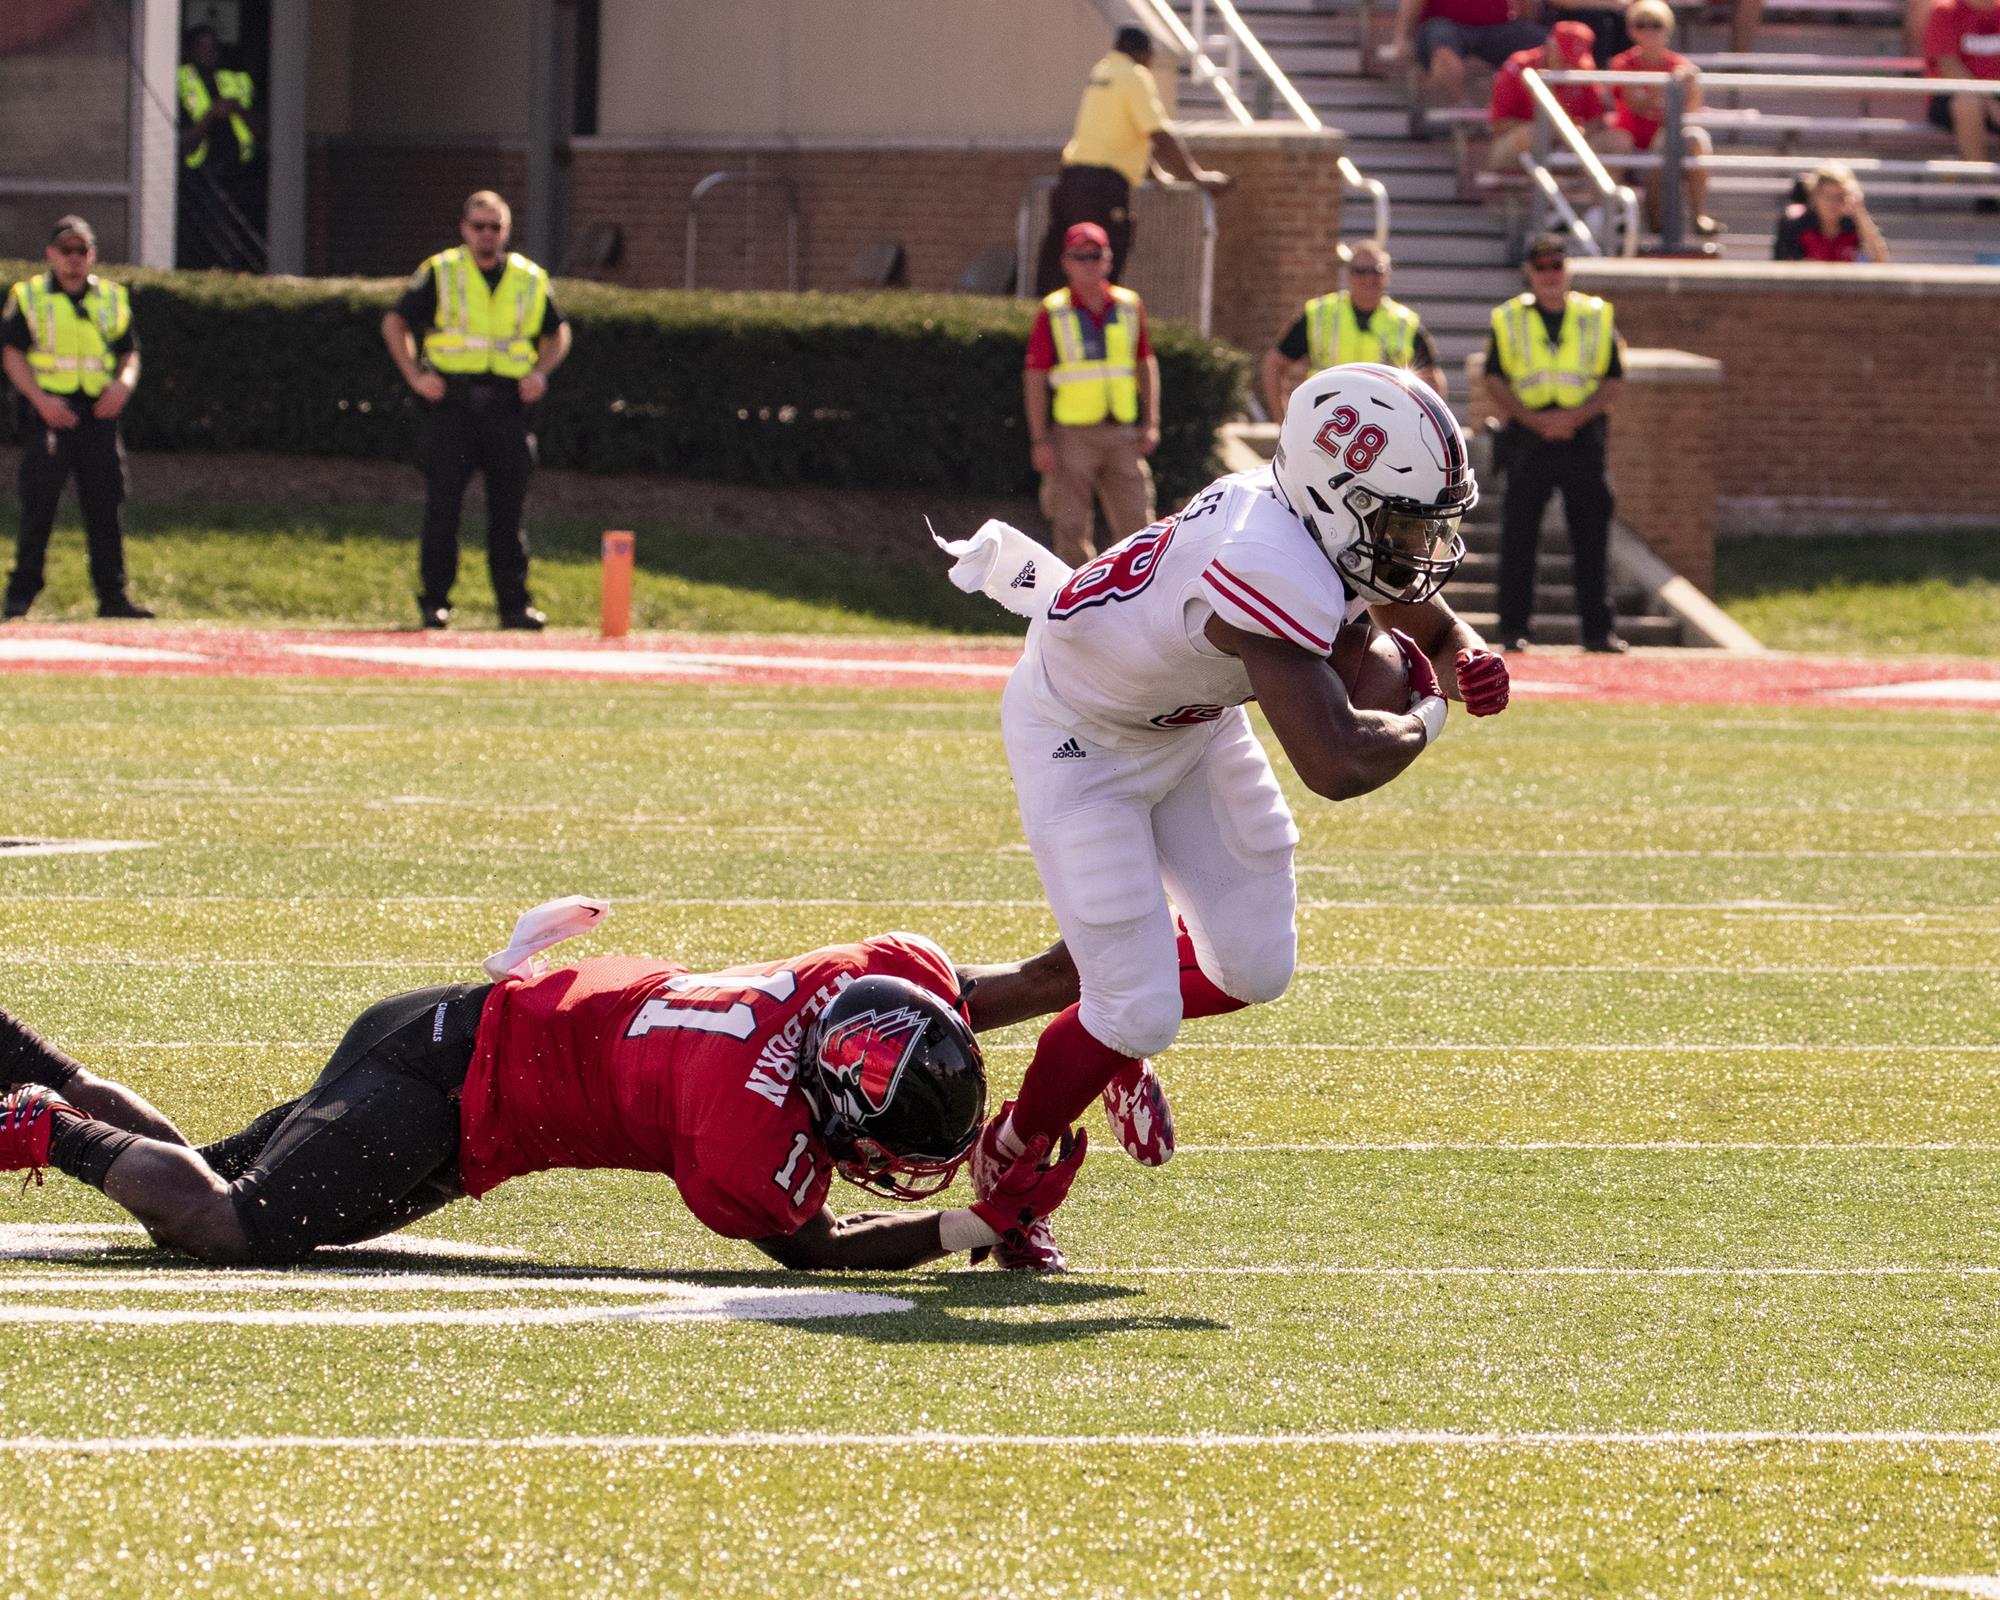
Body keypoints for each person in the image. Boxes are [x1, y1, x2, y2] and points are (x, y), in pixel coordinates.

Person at [943, 362, 1513, 1270]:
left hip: (1188, 723)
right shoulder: (1264, 557)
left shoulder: (1323, 524)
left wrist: (1468, 654)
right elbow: (1335, 763)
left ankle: (1103, 1014)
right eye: (1404, 521)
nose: (1419, 544)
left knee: (1254, 963)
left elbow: (1435, 629)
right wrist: (1429, 714)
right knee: (1136, 1010)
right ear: (1341, 502)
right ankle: (1010, 1160)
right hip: (1080, 737)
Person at [0, 911, 1090, 1272]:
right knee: (229, 1228)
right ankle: (45, 1125)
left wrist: (1123, 1008)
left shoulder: (850, 984)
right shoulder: (737, 1125)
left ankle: (34, 1068)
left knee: (199, 1179)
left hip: (455, 1055)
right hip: (446, 1084)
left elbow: (1017, 987)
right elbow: (816, 1249)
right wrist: (974, 1222)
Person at [381, 191, 572, 632]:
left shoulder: (528, 277)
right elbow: (395, 322)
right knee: (443, 510)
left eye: (495, 226)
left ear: (507, 230)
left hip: (507, 408)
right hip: (454, 407)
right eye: (479, 226)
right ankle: (435, 603)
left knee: (509, 513)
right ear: (464, 229)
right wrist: (415, 376)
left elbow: (558, 331)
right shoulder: (442, 271)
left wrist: (541, 373)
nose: (487, 234)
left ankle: (514, 605)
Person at [1, 216, 152, 621]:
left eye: (80, 250)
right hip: (51, 413)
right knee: (38, 507)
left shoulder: (111, 297)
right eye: (65, 250)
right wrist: (40, 401)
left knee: (106, 505)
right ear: (51, 254)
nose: (73, 258)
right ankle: (20, 596)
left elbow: (129, 351)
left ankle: (112, 597)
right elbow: (12, 354)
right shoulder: (30, 296)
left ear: (92, 255)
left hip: (98, 414)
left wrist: (122, 386)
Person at [1482, 234, 1626, 654]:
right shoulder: (1509, 318)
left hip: (1582, 435)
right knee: (1519, 537)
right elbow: (1493, 377)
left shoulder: (1596, 315)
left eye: (1557, 266)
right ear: (1529, 272)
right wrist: (1534, 420)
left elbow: (1614, 378)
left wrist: (1574, 417)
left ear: (1569, 270)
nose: (1550, 275)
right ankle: (1513, 629)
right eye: (1541, 267)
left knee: (1592, 537)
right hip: (1529, 438)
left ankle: (1598, 632)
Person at [1033, 25, 1229, 296]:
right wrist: (1195, 176)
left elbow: (1120, 134)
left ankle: (1044, 318)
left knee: (1059, 264)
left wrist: (1155, 173)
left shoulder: (1102, 72)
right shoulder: (1134, 76)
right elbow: (1159, 134)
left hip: (1070, 182)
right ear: (1141, 53)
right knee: (1101, 267)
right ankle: (1097, 321)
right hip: (1102, 189)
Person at [1025, 221, 1160, 566]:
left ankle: (1132, 590)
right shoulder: (1053, 309)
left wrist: (1151, 422)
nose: (1088, 263)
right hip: (1073, 436)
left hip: (1122, 433)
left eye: (1095, 255)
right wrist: (1040, 439)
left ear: (1108, 259)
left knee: (1138, 524)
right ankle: (1079, 593)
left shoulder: (1129, 304)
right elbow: (1035, 377)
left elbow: (1145, 363)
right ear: (1065, 262)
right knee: (1070, 526)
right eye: (1079, 256)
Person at [1260, 240, 1447, 423]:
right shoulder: (1321, 315)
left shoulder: (1404, 323)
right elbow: (1273, 365)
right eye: (1360, 271)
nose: (1369, 278)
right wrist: (1284, 422)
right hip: (1325, 424)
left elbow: (1432, 382)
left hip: (1383, 429)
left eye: (1376, 270)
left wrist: (1424, 431)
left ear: (1387, 274)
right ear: (1349, 274)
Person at [1606, 0, 1720, 238]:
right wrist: (1669, 85)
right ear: (1631, 30)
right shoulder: (1623, 63)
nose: (1648, 30)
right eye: (1641, 24)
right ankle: (1656, 226)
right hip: (1633, 142)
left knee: (1695, 138)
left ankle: (1699, 215)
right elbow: (1636, 107)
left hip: (1667, 139)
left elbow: (1691, 112)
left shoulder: (1681, 66)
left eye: (1656, 24)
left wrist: (1689, 86)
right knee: (1661, 147)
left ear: (1668, 29)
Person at [176, 24, 265, 271]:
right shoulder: (180, 82)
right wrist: (211, 115)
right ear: (190, 50)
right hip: (198, 181)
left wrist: (238, 110)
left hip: (238, 179)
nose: (208, 52)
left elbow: (262, 130)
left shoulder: (235, 82)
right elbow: (183, 143)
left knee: (237, 246)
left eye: (213, 46)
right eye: (201, 46)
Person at [1488, 22, 1627, 173]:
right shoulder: (1519, 67)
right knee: (1534, 134)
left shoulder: (1580, 70)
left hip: (1569, 145)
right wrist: (1554, 129)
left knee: (1617, 140)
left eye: (1573, 60)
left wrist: (1578, 131)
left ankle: (1601, 187)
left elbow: (1597, 120)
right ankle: (1531, 184)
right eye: (1564, 57)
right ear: (1551, 47)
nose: (1569, 66)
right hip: (1520, 149)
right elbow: (1498, 124)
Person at [1388, 0, 1548, 111]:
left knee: (1541, 41)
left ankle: (1536, 110)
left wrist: (1526, 26)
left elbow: (1526, 10)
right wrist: (1402, 36)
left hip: (1496, 27)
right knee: (1442, 44)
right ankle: (1461, 108)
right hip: (1447, 26)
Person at [1924, 0, 2000, 199]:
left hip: (1995, 93)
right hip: (1953, 93)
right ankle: (1984, 190)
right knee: (1967, 105)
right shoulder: (1946, 11)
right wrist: (1989, 101)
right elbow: (1948, 64)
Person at [1773, 162, 1892, 261]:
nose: (1833, 203)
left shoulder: (1855, 225)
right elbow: (1783, 266)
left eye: (1840, 197)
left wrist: (1859, 211)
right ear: (1815, 196)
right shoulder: (1795, 226)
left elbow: (1881, 259)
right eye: (1828, 196)